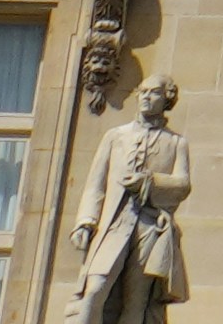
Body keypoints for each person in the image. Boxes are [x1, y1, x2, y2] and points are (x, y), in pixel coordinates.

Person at [60, 81, 190, 324]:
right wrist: (85, 221)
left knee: (137, 301)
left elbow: (183, 184)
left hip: (150, 227)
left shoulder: (176, 143)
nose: (146, 97)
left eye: (154, 93)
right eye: (143, 92)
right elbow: (95, 184)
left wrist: (149, 181)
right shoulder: (116, 136)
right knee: (95, 288)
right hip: (113, 224)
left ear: (166, 100)